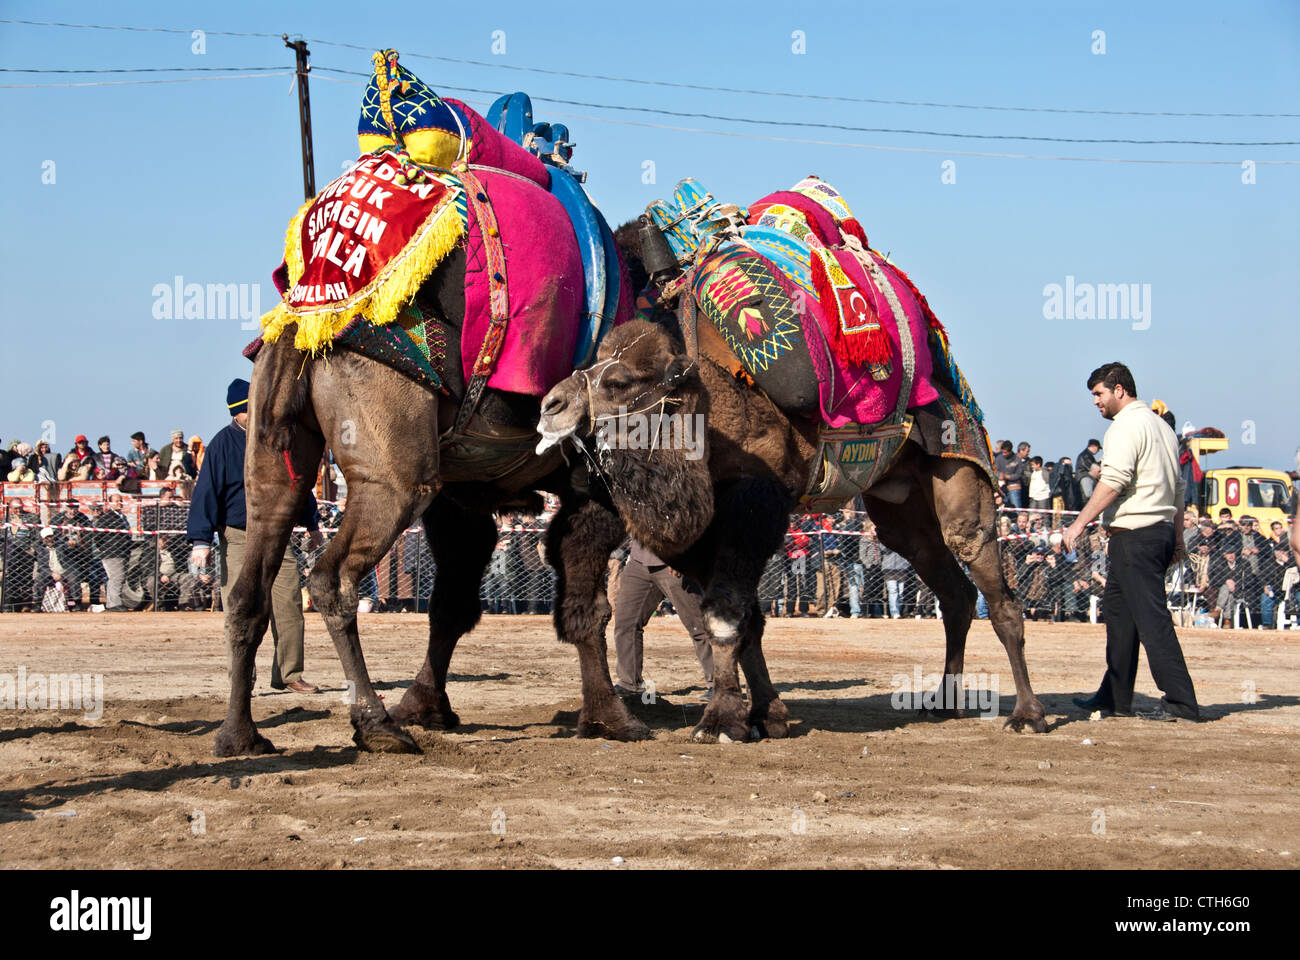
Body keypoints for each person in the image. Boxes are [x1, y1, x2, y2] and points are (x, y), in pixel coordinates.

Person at [1064, 362, 1199, 722]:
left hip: (1135, 536)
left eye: (1099, 393)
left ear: (1119, 389)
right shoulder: (1164, 429)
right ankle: (1115, 697)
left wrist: (1078, 524)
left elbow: (1114, 481)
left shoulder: (1125, 426)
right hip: (1155, 533)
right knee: (1121, 616)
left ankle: (1181, 703)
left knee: (1151, 620)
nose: (1096, 402)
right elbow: (1179, 491)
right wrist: (1178, 537)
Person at [187, 378, 323, 694]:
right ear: (236, 413)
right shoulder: (221, 444)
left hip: (277, 535)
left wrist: (312, 523)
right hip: (237, 537)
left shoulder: (277, 439)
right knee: (240, 608)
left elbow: (297, 483)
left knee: (289, 603)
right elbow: (206, 492)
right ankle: (241, 678)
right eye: (248, 409)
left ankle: (288, 674)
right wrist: (200, 540)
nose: (256, 413)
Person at [611, 539, 714, 702]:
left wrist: (682, 556)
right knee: (626, 622)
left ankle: (719, 684)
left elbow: (695, 520)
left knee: (699, 626)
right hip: (639, 560)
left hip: (674, 561)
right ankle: (629, 683)